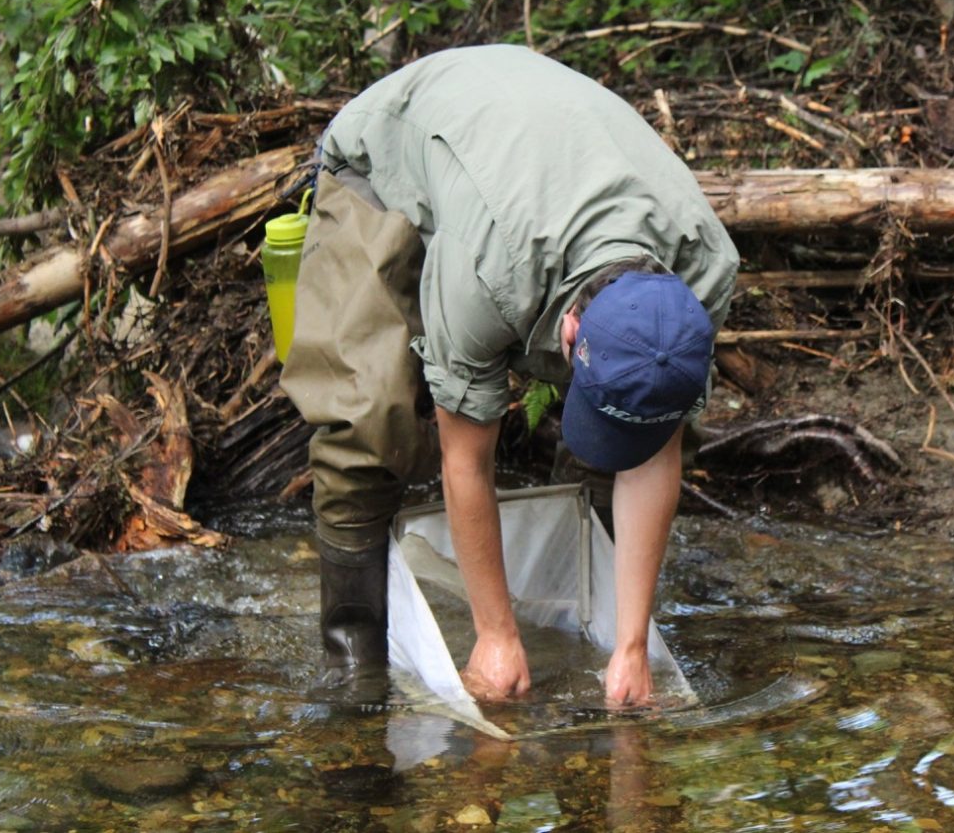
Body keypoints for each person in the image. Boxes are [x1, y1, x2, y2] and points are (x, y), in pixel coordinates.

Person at [280, 44, 738, 706]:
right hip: (392, 158)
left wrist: (633, 645)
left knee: (634, 413)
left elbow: (656, 447)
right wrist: (495, 634)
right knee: (369, 420)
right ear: (572, 333)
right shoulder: (489, 273)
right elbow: (467, 458)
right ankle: (353, 679)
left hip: (531, 161)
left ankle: (589, 638)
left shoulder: (703, 271)